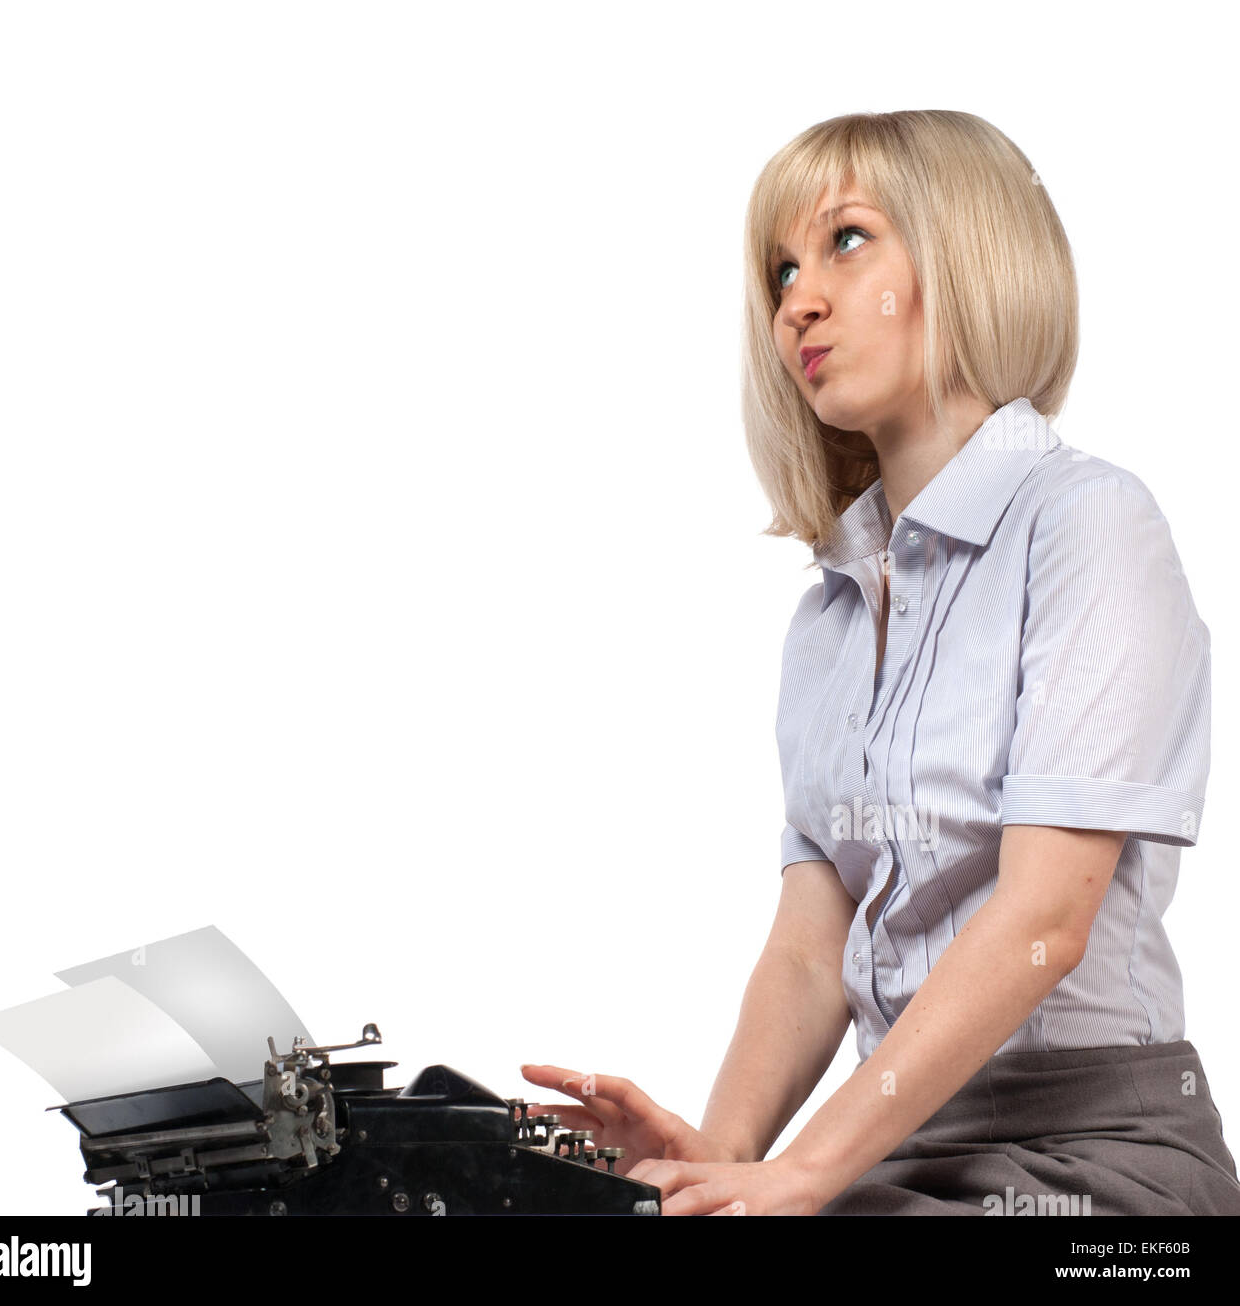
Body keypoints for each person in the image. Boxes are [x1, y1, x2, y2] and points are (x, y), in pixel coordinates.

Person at [521, 110, 1240, 1216]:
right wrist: (718, 1160)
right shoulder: (827, 621)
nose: (796, 300)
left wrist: (804, 1170)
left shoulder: (1090, 523)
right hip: (891, 1154)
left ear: (966, 251)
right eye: (781, 267)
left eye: (846, 241)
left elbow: (1046, 919)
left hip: (1100, 1163)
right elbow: (811, 951)